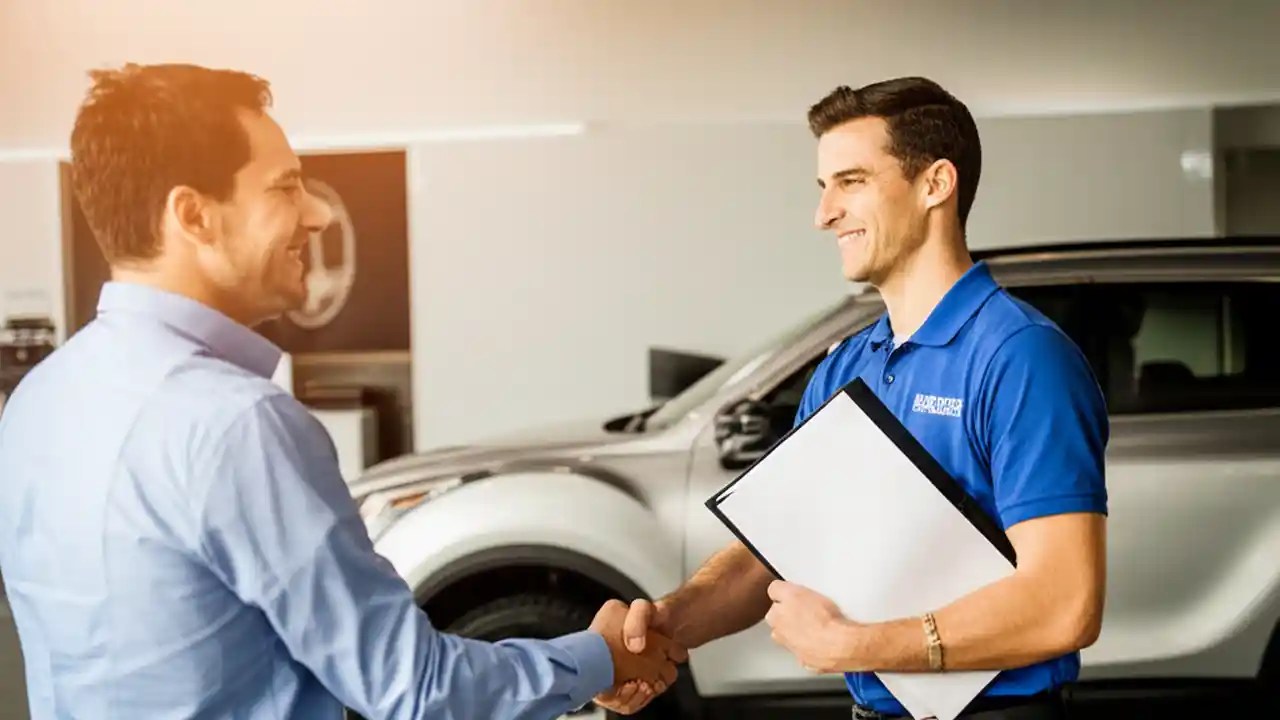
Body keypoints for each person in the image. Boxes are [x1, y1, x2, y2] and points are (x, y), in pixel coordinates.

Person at [0, 63, 681, 719]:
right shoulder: (237, 425)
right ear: (195, 215)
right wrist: (599, 659)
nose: (318, 216)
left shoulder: (40, 399)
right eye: (285, 187)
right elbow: (416, 691)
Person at [598, 77, 1109, 719]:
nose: (824, 213)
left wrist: (855, 644)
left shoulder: (1021, 357)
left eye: (852, 181)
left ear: (935, 184)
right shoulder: (844, 367)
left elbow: (1065, 602)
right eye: (823, 188)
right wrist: (663, 628)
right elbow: (772, 557)